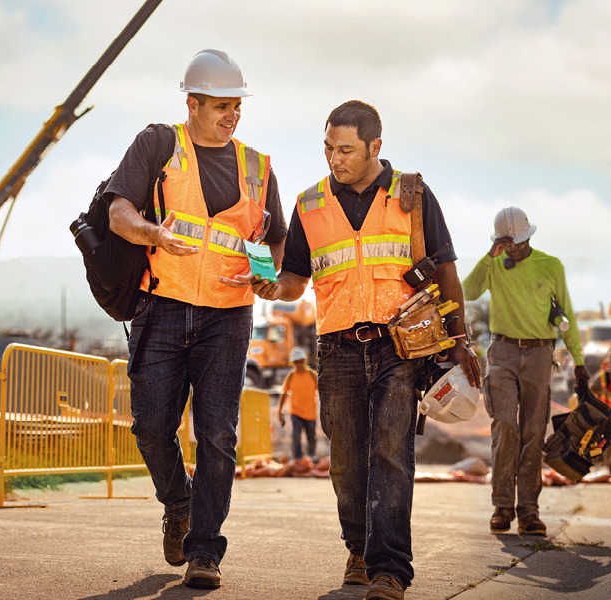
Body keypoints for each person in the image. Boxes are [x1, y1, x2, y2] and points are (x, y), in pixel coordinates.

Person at [252, 100, 479, 600]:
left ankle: (390, 570)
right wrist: (274, 289)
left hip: (400, 347)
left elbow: (445, 270)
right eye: (329, 148)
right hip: (336, 350)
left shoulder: (412, 195)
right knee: (346, 461)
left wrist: (460, 341)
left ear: (376, 147)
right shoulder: (310, 204)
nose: (335, 158)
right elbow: (295, 277)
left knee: (391, 453)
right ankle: (358, 549)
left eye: (347, 150)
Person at [105, 49, 287, 589]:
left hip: (227, 318)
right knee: (151, 425)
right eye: (221, 106)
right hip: (161, 306)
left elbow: (271, 240)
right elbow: (119, 213)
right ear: (192, 103)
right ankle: (177, 502)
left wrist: (265, 273)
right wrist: (153, 234)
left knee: (218, 435)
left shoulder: (257, 166)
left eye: (237, 106)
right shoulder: (158, 144)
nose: (232, 115)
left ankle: (206, 549)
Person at [462, 206, 588, 537]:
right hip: (502, 353)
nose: (513, 249)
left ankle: (529, 511)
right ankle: (502, 506)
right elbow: (467, 292)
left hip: (539, 354)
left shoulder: (550, 265)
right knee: (504, 427)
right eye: (507, 243)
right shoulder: (494, 265)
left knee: (533, 432)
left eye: (517, 243)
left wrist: (579, 360)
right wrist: (490, 256)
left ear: (529, 237)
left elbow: (568, 314)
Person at [277, 347, 319, 462]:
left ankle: (312, 457)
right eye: (296, 362)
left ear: (304, 361)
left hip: (311, 413)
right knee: (296, 436)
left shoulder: (312, 376)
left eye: (301, 361)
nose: (299, 364)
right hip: (296, 412)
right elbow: (284, 395)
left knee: (312, 437)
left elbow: (322, 392)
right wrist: (279, 412)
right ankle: (297, 459)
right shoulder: (290, 377)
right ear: (293, 363)